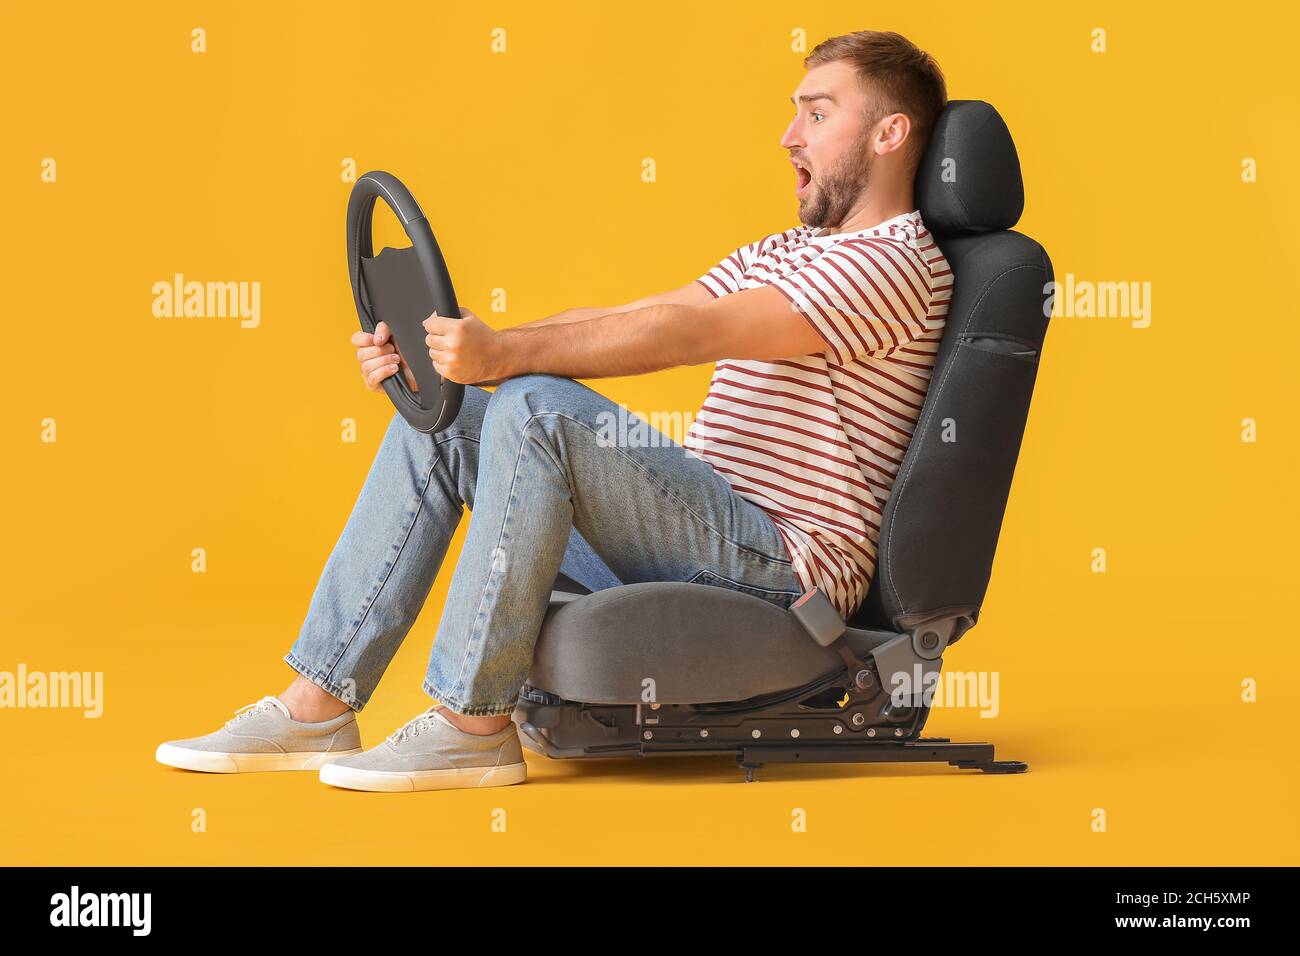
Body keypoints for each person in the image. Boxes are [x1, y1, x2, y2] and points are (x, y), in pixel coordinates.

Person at [155, 29, 952, 793]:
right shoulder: (787, 252)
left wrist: (507, 361)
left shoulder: (894, 264)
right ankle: (315, 709)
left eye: (817, 113)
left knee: (535, 407)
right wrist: (461, 352)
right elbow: (635, 310)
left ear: (888, 133)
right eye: (794, 111)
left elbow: (690, 332)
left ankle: (472, 729)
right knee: (450, 423)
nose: (788, 135)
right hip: (710, 534)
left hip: (785, 571)